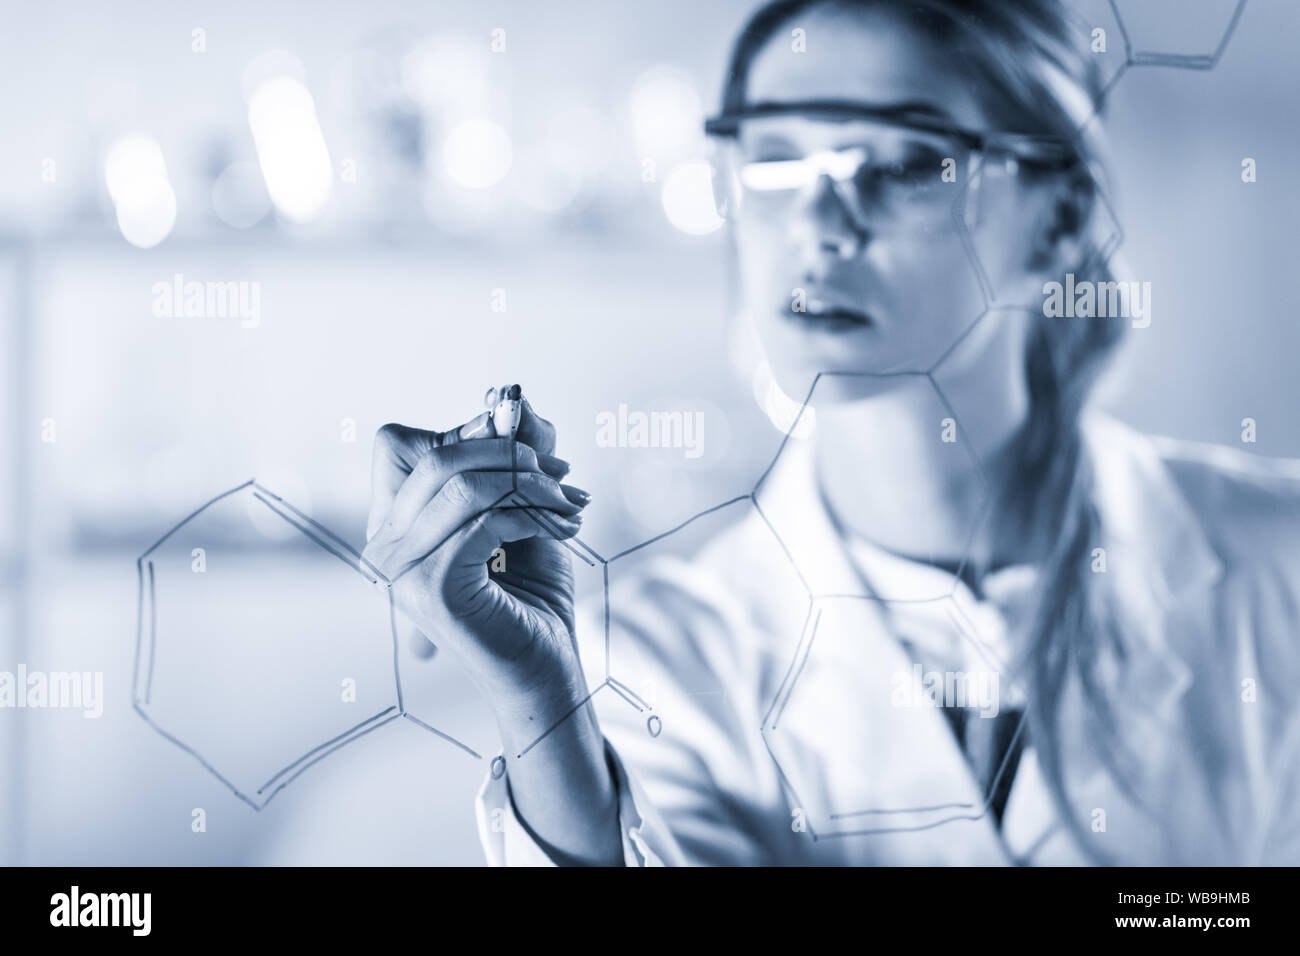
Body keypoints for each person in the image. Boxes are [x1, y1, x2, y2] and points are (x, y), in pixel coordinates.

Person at [359, 0, 1300, 865]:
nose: (818, 224)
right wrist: (540, 709)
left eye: (900, 164)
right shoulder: (650, 660)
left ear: (1057, 220)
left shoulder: (1280, 561)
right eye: (774, 159)